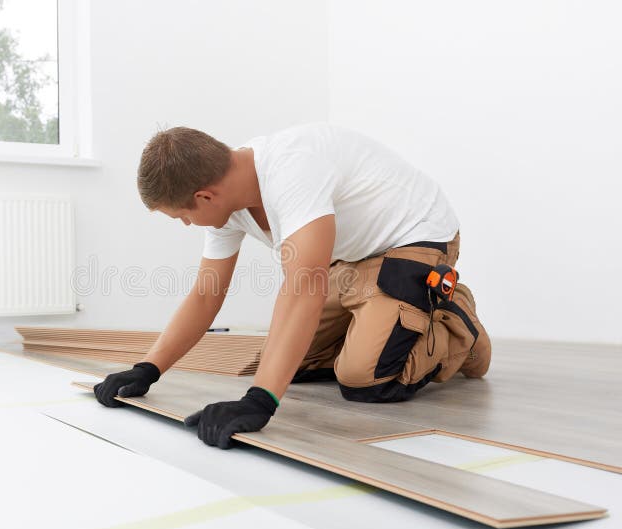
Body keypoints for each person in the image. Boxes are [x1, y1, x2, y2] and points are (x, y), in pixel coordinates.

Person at [93, 123, 491, 449]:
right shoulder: (226, 201)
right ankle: (383, 322)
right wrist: (148, 368)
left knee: (364, 378)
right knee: (288, 362)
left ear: (204, 195)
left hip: (412, 237)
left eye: (180, 216)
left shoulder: (291, 171)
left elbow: (303, 288)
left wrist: (261, 399)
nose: (184, 224)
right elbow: (206, 293)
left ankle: (457, 322)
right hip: (354, 258)